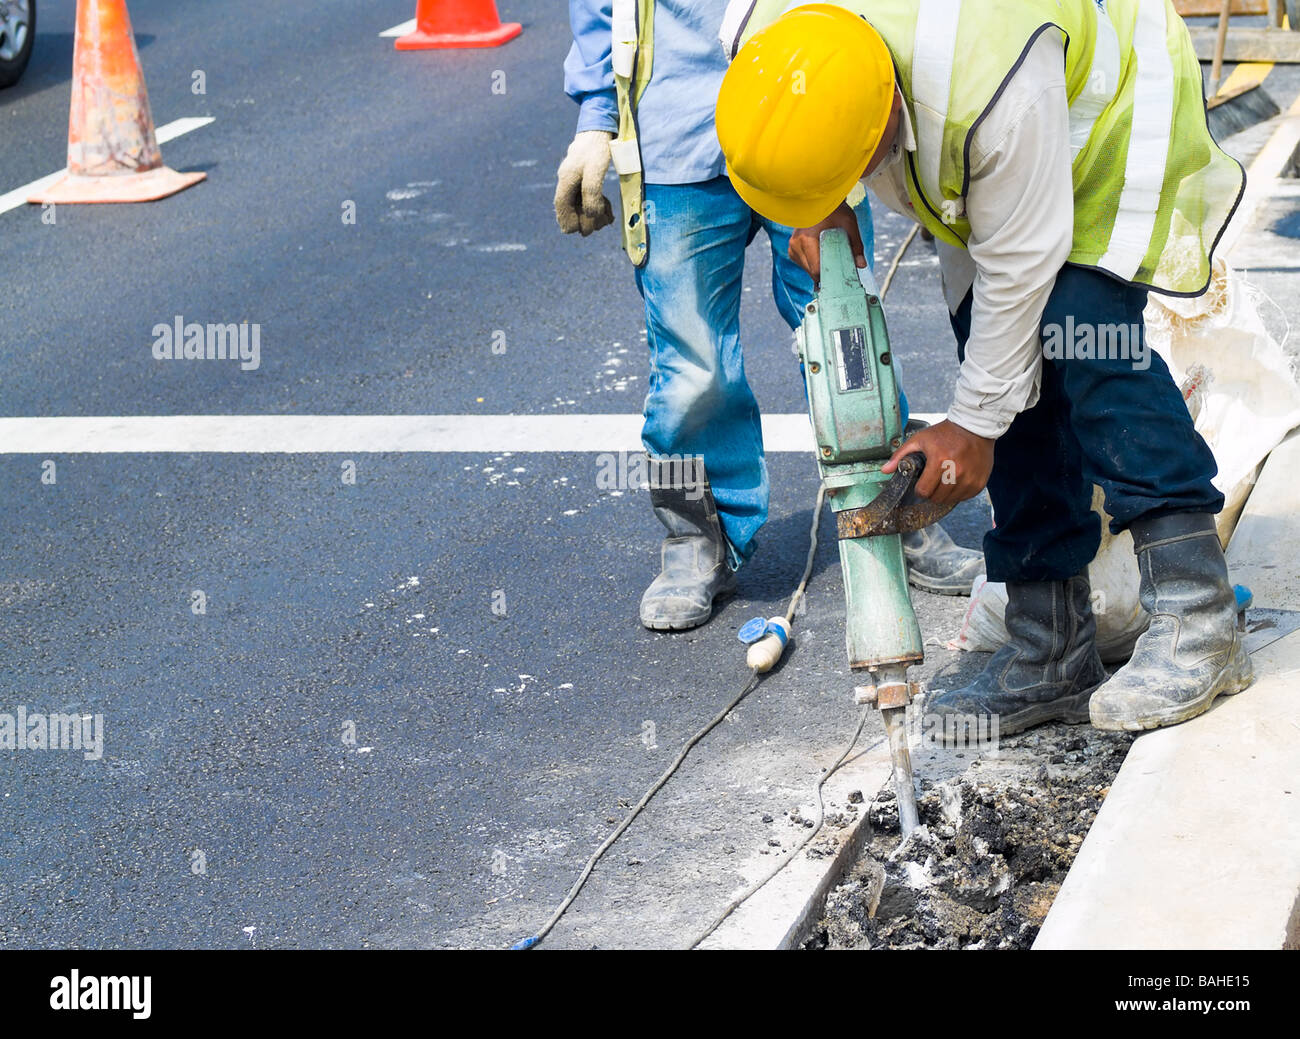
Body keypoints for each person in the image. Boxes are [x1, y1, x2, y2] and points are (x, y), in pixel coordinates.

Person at [714, 0, 1253, 733]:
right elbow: (785, 108)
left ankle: (1198, 616)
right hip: (989, 134)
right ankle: (1051, 643)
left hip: (1111, 94)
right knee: (990, 349)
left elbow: (1022, 267)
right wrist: (817, 200)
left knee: (1080, 332)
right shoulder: (768, 33)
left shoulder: (989, 85)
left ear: (886, 122)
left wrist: (971, 426)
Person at [556, 0, 983, 632]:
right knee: (692, 365)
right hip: (677, 139)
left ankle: (893, 510)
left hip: (810, 119)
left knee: (849, 336)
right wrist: (596, 120)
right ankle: (698, 539)